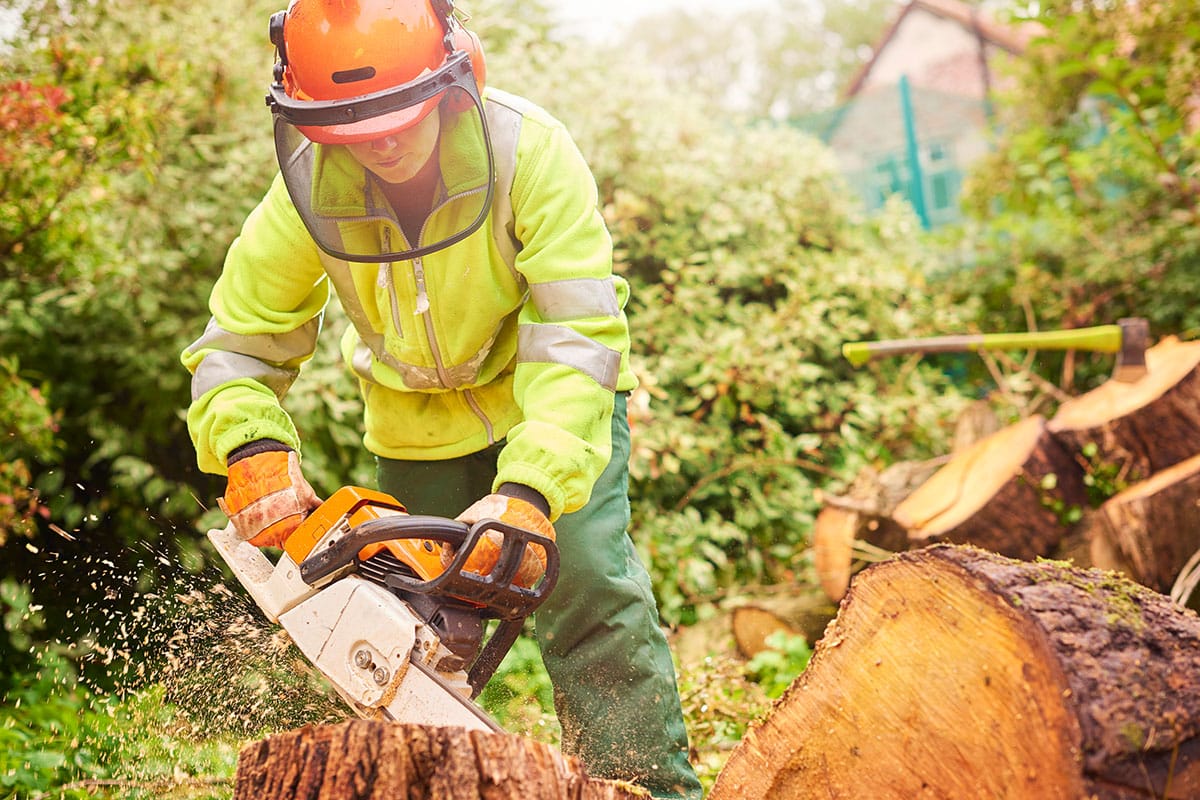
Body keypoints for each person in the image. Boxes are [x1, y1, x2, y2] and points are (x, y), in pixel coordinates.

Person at [180, 1, 702, 797]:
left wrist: (531, 492)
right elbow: (237, 342)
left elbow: (577, 335)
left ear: (454, 81)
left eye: (396, 117)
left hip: (548, 411)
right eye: (349, 125)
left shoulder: (529, 151)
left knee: (590, 587)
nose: (380, 141)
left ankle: (645, 788)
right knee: (403, 627)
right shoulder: (308, 187)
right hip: (416, 429)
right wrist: (250, 446)